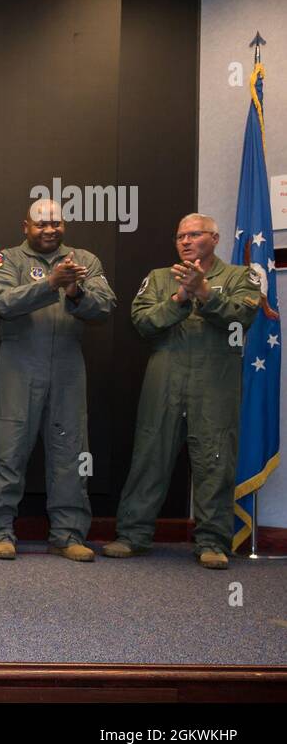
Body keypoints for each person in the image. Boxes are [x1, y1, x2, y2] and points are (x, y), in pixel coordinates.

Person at [104, 213, 261, 569]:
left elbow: (242, 318)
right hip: (166, 376)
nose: (186, 241)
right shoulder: (160, 278)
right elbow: (142, 322)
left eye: (194, 234)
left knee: (215, 460)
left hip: (215, 379)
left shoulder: (239, 276)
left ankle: (212, 541)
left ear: (215, 238)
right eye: (180, 236)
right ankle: (133, 535)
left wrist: (205, 293)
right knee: (149, 455)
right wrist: (179, 298)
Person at [0, 199, 115, 561]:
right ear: (26, 226)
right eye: (41, 224)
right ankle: (0, 532)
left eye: (56, 223)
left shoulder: (84, 261)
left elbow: (105, 307)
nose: (49, 229)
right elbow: (3, 301)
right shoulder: (6, 259)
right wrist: (51, 284)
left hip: (69, 368)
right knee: (7, 449)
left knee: (70, 452)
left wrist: (75, 292)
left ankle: (67, 534)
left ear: (64, 225)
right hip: (18, 364)